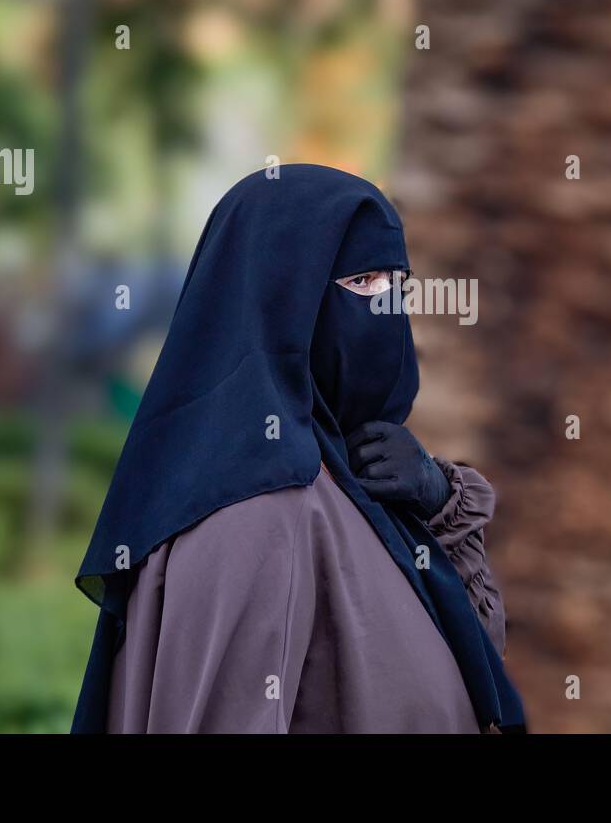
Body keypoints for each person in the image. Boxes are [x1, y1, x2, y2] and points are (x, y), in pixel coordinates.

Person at [71, 163, 525, 733]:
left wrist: (439, 506)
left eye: (396, 283)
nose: (386, 309)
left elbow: (473, 661)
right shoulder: (265, 514)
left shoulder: (351, 479)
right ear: (277, 298)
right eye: (361, 283)